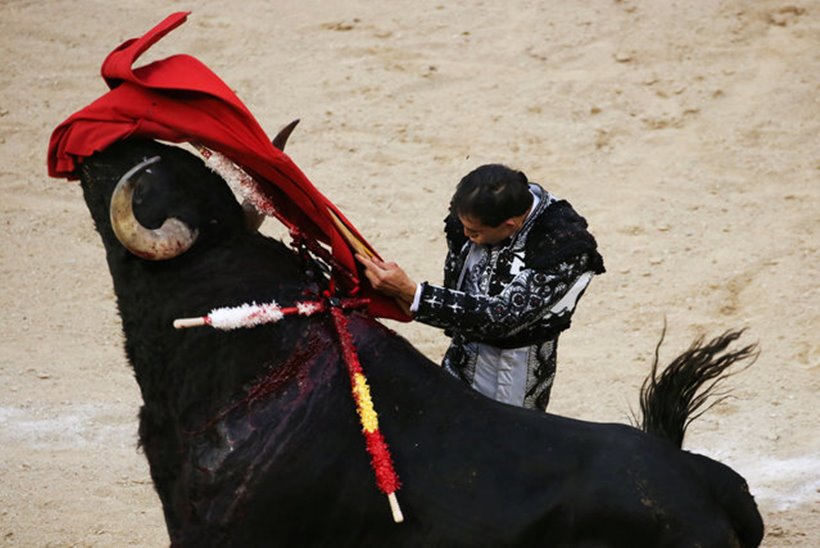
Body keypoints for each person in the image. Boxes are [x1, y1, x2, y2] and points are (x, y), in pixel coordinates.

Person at [357, 164, 604, 411]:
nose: (465, 234)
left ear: (510, 225)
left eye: (474, 232)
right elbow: (458, 292)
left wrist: (413, 294)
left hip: (515, 374)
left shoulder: (563, 245)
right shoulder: (474, 214)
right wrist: (407, 298)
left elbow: (503, 318)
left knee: (507, 441)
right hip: (461, 359)